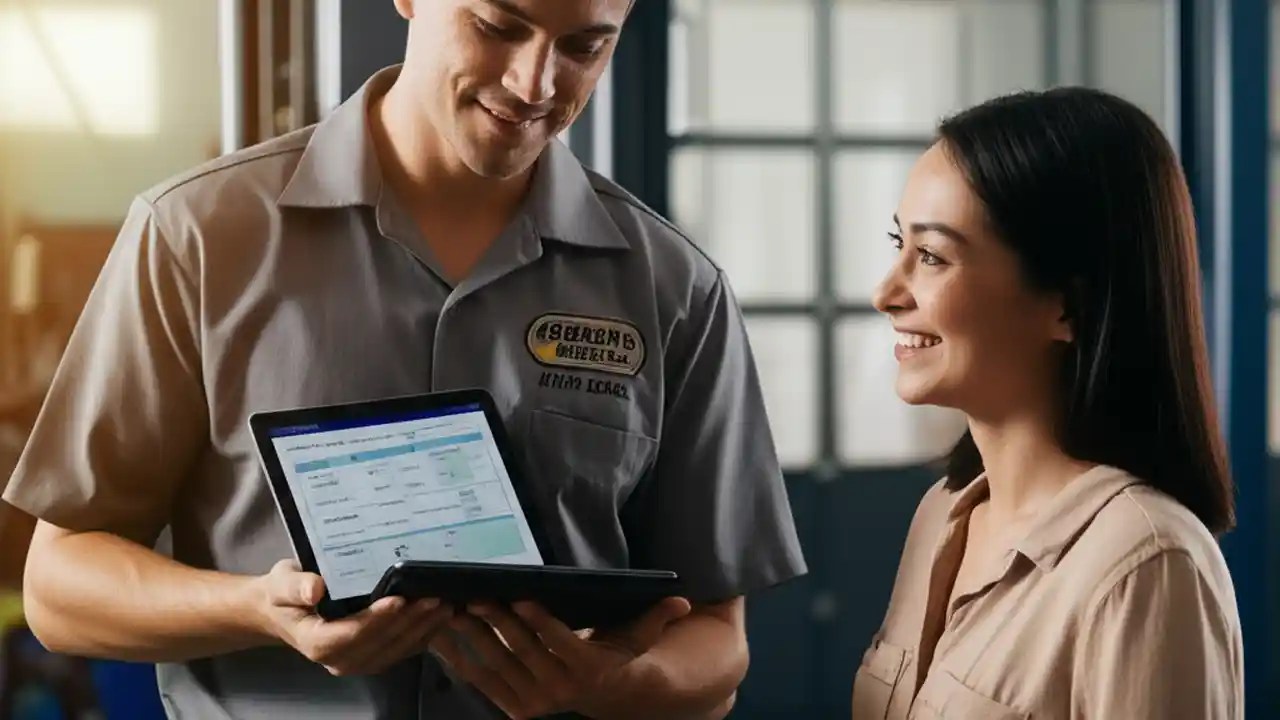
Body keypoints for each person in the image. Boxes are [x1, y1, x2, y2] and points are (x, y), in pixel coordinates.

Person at [5, 1, 807, 718]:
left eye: (584, 47)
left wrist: (611, 687)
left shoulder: (675, 286)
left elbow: (718, 646)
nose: (535, 82)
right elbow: (59, 588)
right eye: (499, 28)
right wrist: (256, 609)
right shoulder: (199, 237)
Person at [852, 87, 1243, 720]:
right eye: (899, 245)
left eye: (930, 256)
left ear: (1067, 306)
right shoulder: (942, 516)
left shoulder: (1146, 563)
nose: (886, 293)